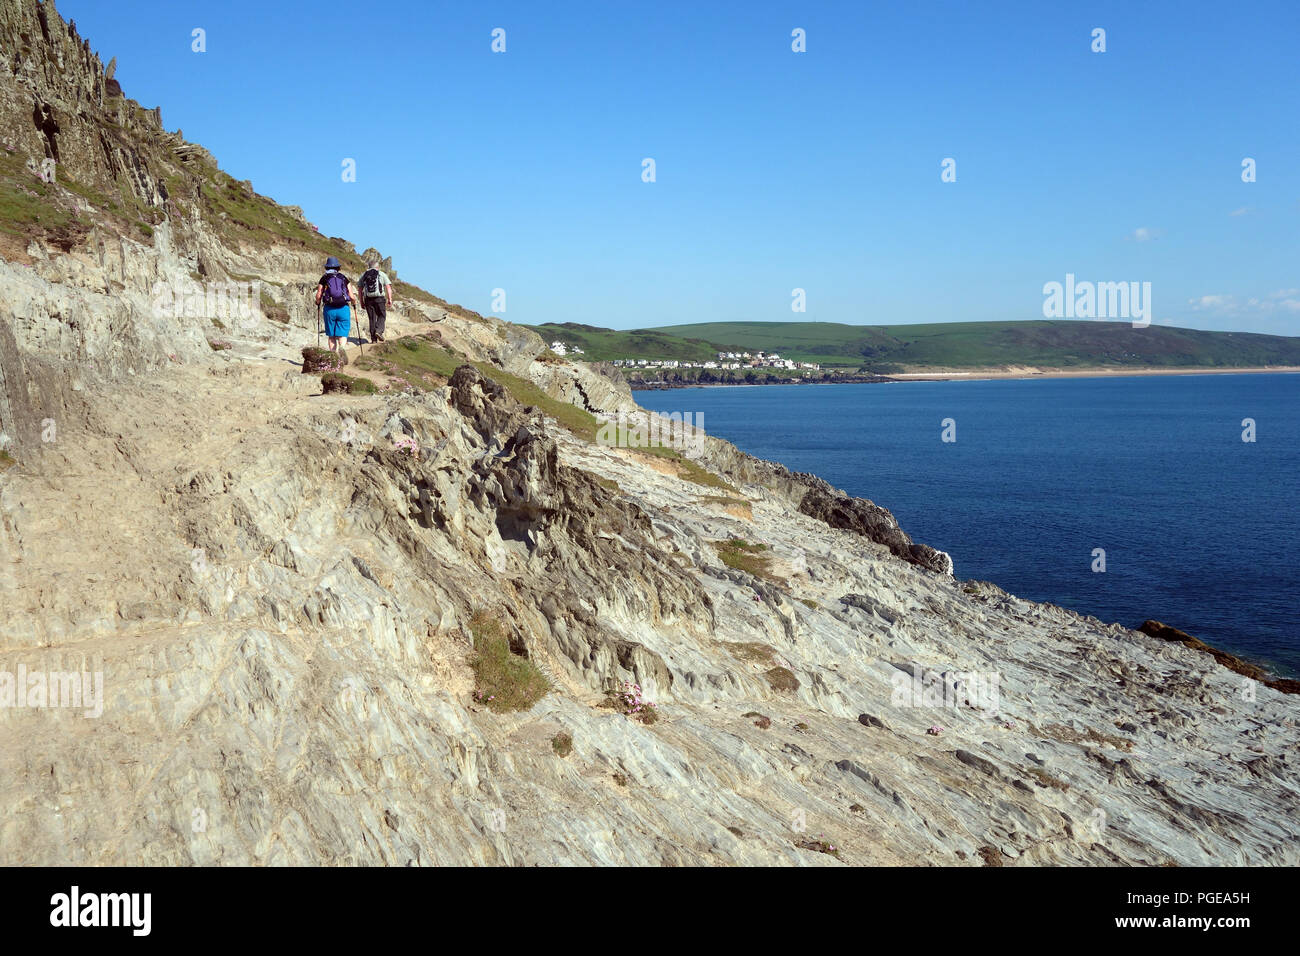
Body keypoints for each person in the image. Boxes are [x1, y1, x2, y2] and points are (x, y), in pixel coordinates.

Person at [314, 256, 357, 354]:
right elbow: (351, 295)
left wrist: (317, 302)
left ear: (327, 267)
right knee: (342, 334)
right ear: (338, 267)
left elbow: (318, 295)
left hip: (329, 309)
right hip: (343, 308)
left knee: (331, 336)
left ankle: (333, 355)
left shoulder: (324, 278)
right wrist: (354, 303)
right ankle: (342, 348)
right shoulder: (343, 278)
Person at [358, 260, 393, 343]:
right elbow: (388, 287)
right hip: (379, 299)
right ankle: (379, 331)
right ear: (378, 267)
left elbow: (360, 289)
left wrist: (361, 302)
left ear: (369, 266)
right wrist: (390, 299)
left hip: (368, 300)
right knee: (382, 315)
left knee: (372, 318)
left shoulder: (364, 275)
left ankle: (373, 340)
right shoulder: (382, 274)